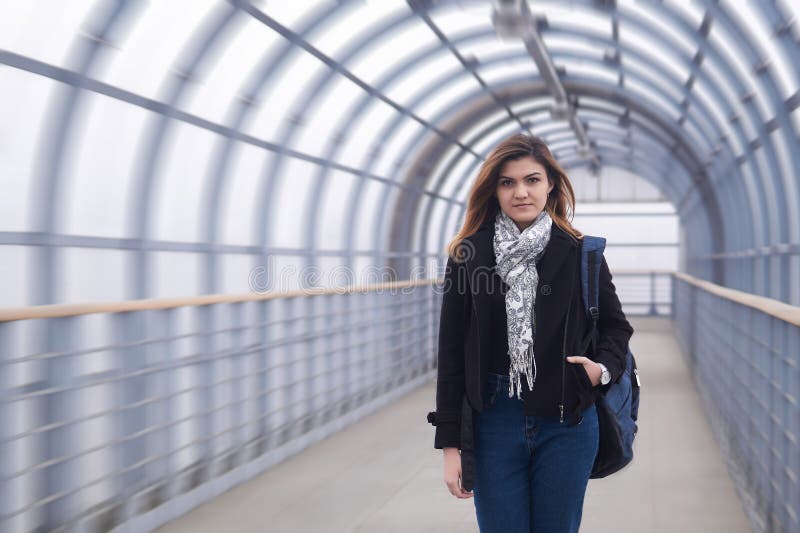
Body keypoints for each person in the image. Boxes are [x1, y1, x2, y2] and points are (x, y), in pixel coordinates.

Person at [427, 133, 634, 533]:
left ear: (551, 184)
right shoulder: (469, 255)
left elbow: (616, 327)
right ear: (494, 190)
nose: (521, 192)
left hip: (567, 419)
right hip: (493, 421)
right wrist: (450, 444)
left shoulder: (581, 253)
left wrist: (600, 370)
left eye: (532, 180)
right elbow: (451, 352)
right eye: (508, 182)